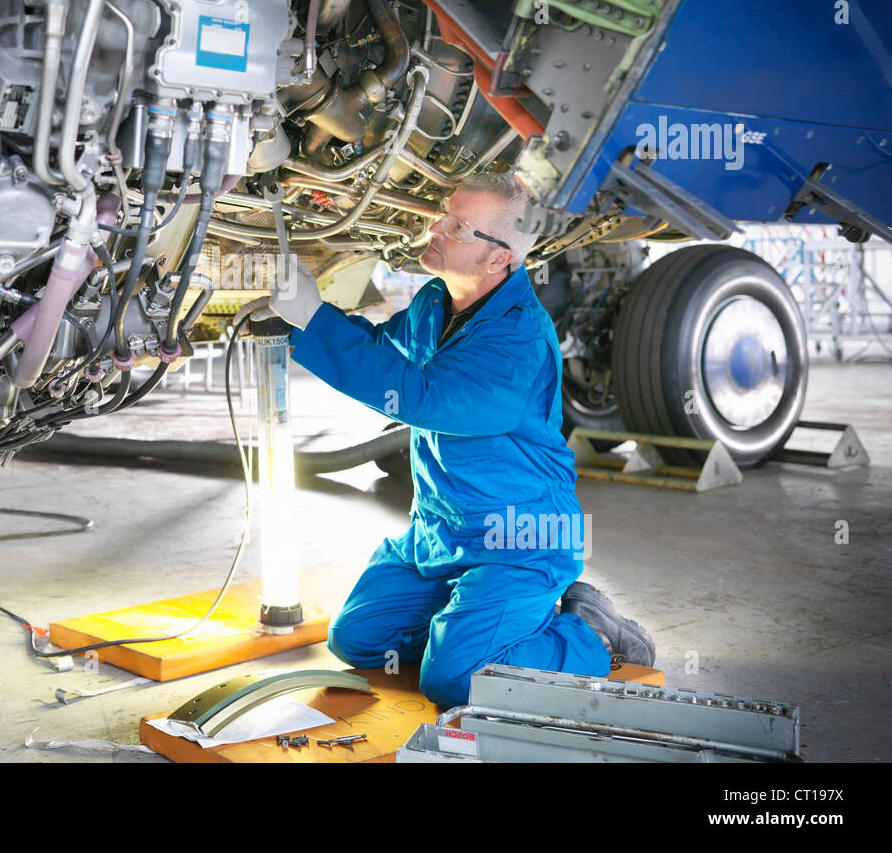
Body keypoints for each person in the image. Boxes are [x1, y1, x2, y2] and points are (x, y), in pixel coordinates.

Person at [270, 171, 655, 709]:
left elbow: (423, 395)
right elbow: (383, 349)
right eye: (444, 214)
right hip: (441, 531)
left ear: (499, 258)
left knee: (454, 683)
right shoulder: (436, 302)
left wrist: (314, 318)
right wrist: (292, 325)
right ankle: (481, 628)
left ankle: (587, 634)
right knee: (357, 640)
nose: (437, 227)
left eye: (458, 225)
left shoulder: (517, 338)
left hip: (516, 542)